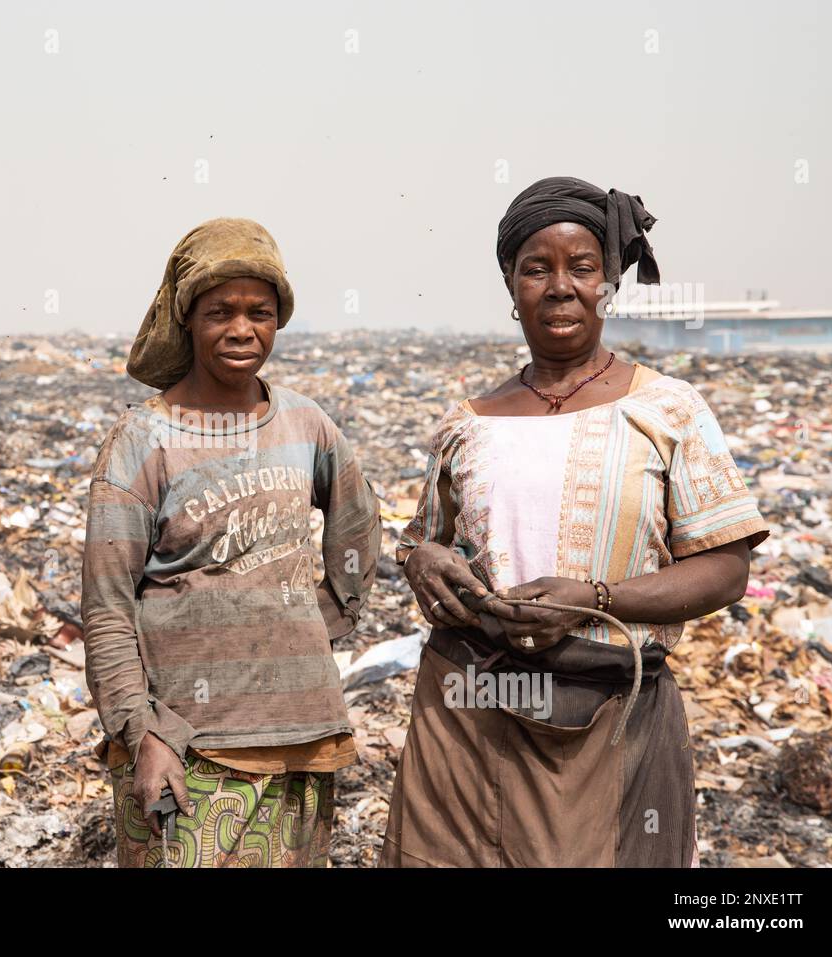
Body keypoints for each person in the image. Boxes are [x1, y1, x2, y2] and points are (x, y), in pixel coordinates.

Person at [379, 177, 769, 867]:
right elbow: (423, 540)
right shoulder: (467, 423)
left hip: (611, 715)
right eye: (537, 268)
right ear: (511, 285)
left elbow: (728, 567)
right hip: (468, 710)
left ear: (608, 282)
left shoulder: (669, 410)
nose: (560, 286)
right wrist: (420, 561)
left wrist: (594, 599)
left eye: (581, 267)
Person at [81, 218, 382, 867]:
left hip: (303, 736)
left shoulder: (308, 425)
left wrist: (328, 614)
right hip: (184, 749)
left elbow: (357, 525)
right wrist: (141, 733)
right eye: (221, 311)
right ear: (188, 317)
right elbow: (106, 606)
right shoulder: (142, 441)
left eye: (260, 311)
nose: (242, 329)